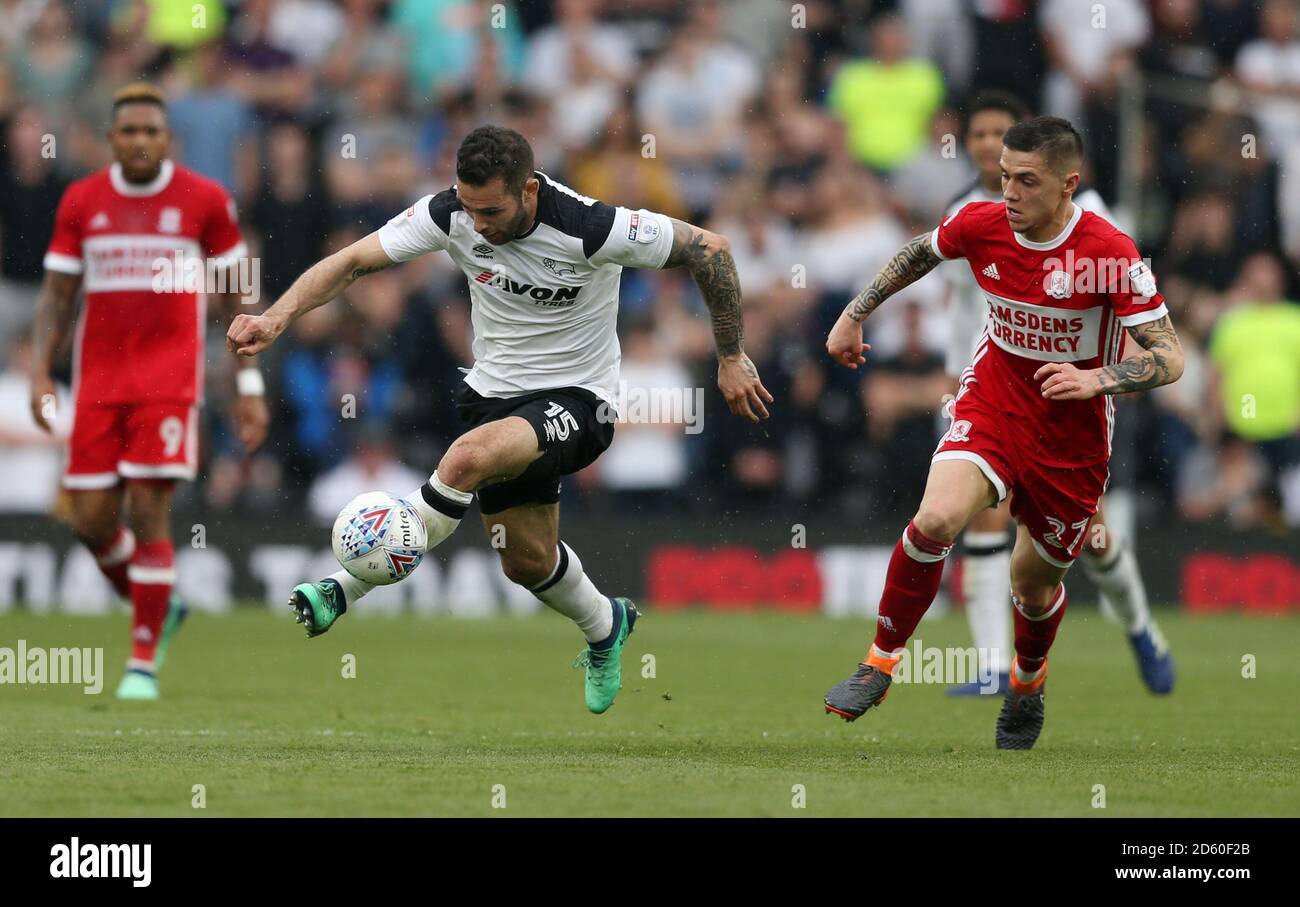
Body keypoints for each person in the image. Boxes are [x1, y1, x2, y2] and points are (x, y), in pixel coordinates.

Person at [227, 125, 771, 715]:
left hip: (580, 400)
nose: (478, 223)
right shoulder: (449, 213)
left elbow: (710, 248)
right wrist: (276, 317)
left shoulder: (591, 226)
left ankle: (345, 586)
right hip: (493, 397)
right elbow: (353, 262)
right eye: (469, 207)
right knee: (525, 560)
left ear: (530, 190)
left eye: (491, 210)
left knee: (466, 459)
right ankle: (605, 624)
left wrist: (730, 353)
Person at [823, 117, 1184, 749]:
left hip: (1071, 439)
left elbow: (1170, 356)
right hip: (992, 403)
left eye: (1026, 181)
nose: (1009, 193)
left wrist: (1096, 379)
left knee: (1034, 585)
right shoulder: (984, 223)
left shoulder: (1108, 252)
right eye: (1003, 179)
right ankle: (879, 661)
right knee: (935, 518)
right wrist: (855, 314)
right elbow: (919, 252)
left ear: (1069, 184)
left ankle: (1027, 678)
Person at [30, 83, 270, 700]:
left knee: (148, 509)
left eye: (151, 131)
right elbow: (57, 296)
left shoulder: (206, 201)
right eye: (129, 131)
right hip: (97, 384)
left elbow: (236, 296)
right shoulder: (83, 200)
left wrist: (248, 382)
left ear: (169, 139)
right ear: (111, 139)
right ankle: (159, 605)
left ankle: (142, 659)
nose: (140, 141)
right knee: (88, 521)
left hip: (168, 383)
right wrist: (37, 371)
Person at [940, 92, 1174, 697]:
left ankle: (1142, 627)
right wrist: (953, 371)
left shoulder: (1088, 215)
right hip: (994, 385)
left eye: (1000, 133)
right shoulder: (968, 212)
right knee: (982, 518)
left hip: (1068, 401)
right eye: (979, 136)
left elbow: (1132, 308)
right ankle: (995, 666)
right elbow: (961, 305)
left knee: (1089, 538)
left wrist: (1103, 376)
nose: (989, 144)